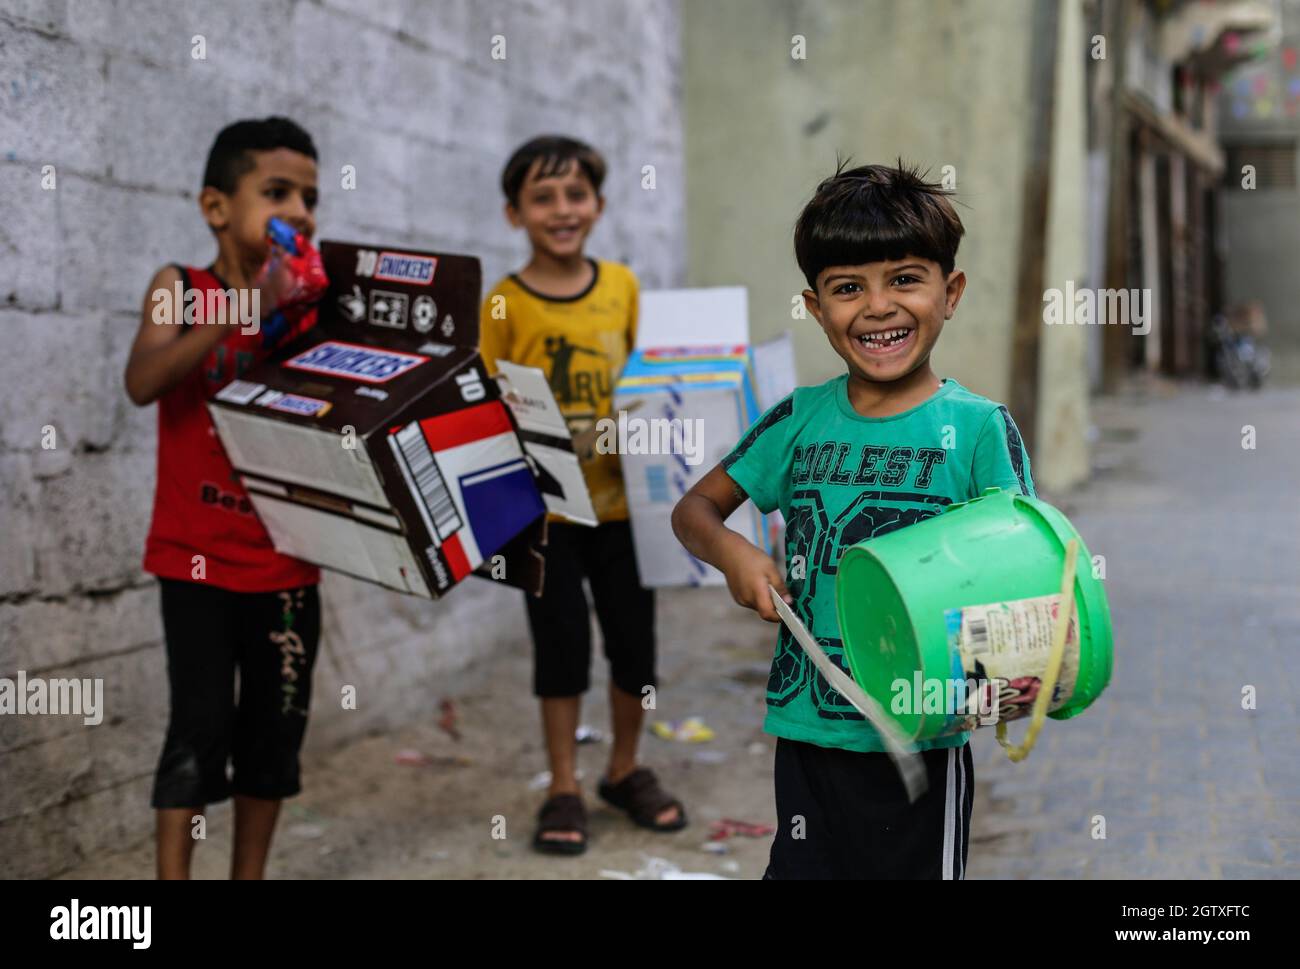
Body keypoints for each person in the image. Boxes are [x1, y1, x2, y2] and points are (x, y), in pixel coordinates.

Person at [671, 161, 1035, 879]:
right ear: (815, 306)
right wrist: (735, 554)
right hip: (807, 733)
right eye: (847, 287)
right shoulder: (797, 422)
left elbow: (1026, 579)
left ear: (950, 291)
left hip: (922, 745)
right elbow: (695, 509)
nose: (877, 307)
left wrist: (1003, 677)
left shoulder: (978, 428)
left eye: (904, 278)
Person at [124, 116, 325, 879]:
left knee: (273, 739)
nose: (300, 211)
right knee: (198, 730)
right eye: (277, 192)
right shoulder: (180, 287)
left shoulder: (313, 306)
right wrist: (250, 306)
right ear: (216, 207)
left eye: (309, 196)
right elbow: (144, 381)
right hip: (196, 562)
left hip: (288, 569)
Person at [479, 135, 686, 855]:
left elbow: (650, 384)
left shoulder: (622, 286)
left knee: (636, 648)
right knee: (560, 648)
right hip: (547, 516)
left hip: (626, 507)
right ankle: (563, 783)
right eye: (543, 197)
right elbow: (485, 401)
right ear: (514, 214)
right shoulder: (505, 302)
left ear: (597, 205)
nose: (562, 210)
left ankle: (624, 768)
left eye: (576, 195)